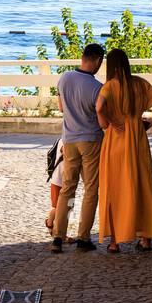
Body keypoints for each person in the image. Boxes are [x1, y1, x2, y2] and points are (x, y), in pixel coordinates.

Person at [96, 47, 152, 253]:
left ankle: (114, 242)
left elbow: (98, 108)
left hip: (115, 142)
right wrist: (150, 123)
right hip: (137, 139)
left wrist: (109, 121)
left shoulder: (109, 87)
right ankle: (146, 239)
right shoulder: (139, 84)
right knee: (142, 186)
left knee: (114, 189)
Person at [50, 42, 105, 253]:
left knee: (68, 188)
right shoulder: (97, 88)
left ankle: (58, 236)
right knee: (91, 189)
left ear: (82, 57)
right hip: (91, 140)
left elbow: (62, 107)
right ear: (98, 61)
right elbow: (101, 119)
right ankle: (83, 238)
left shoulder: (64, 78)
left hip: (69, 139)